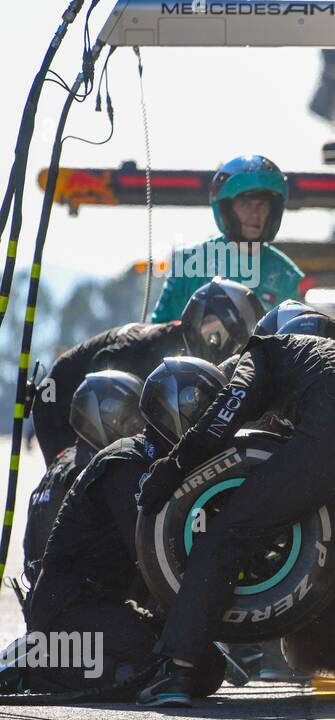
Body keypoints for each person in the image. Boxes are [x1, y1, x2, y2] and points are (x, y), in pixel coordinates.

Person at [133, 328, 335, 707]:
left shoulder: (260, 353)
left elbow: (223, 417)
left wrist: (174, 466)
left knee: (230, 532)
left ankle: (179, 671)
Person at [11, 359, 228, 699]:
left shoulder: (157, 462)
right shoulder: (125, 465)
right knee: (163, 666)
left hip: (105, 605)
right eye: (204, 415)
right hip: (70, 610)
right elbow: (153, 561)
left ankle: (61, 659)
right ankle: (37, 671)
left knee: (208, 665)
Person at [32, 279, 265, 466]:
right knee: (85, 485)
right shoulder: (150, 346)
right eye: (218, 334)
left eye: (237, 345)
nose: (227, 349)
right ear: (198, 318)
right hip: (58, 400)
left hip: (80, 399)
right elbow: (101, 382)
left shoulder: (179, 348)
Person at [22, 372, 147, 589]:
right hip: (82, 604)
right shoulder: (90, 473)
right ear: (100, 415)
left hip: (47, 600)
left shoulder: (60, 464)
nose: (139, 424)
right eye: (129, 414)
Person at [150, 155, 304, 322]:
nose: (255, 214)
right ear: (227, 209)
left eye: (262, 205)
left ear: (273, 211)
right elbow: (159, 331)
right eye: (246, 204)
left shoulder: (287, 275)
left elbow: (293, 338)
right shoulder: (189, 262)